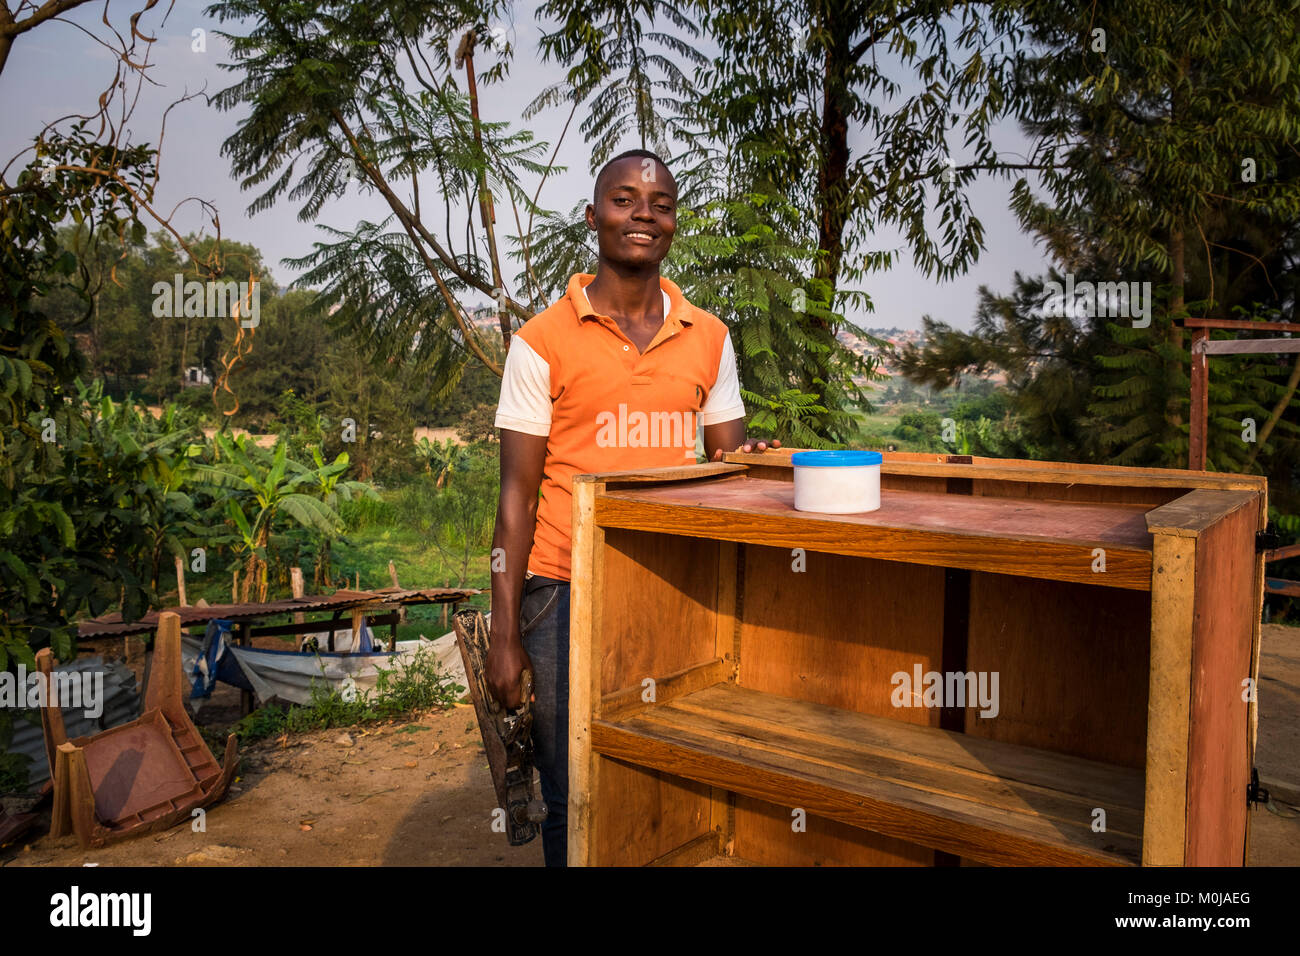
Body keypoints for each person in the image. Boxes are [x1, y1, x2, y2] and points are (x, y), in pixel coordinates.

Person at [487, 148, 779, 866]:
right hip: (562, 592)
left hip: (676, 586)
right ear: (593, 218)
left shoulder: (710, 338)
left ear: (674, 224)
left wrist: (758, 463)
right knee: (573, 783)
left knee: (671, 759)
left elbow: (726, 471)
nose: (644, 213)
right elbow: (516, 497)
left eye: (661, 203)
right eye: (624, 199)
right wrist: (505, 633)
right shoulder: (541, 342)